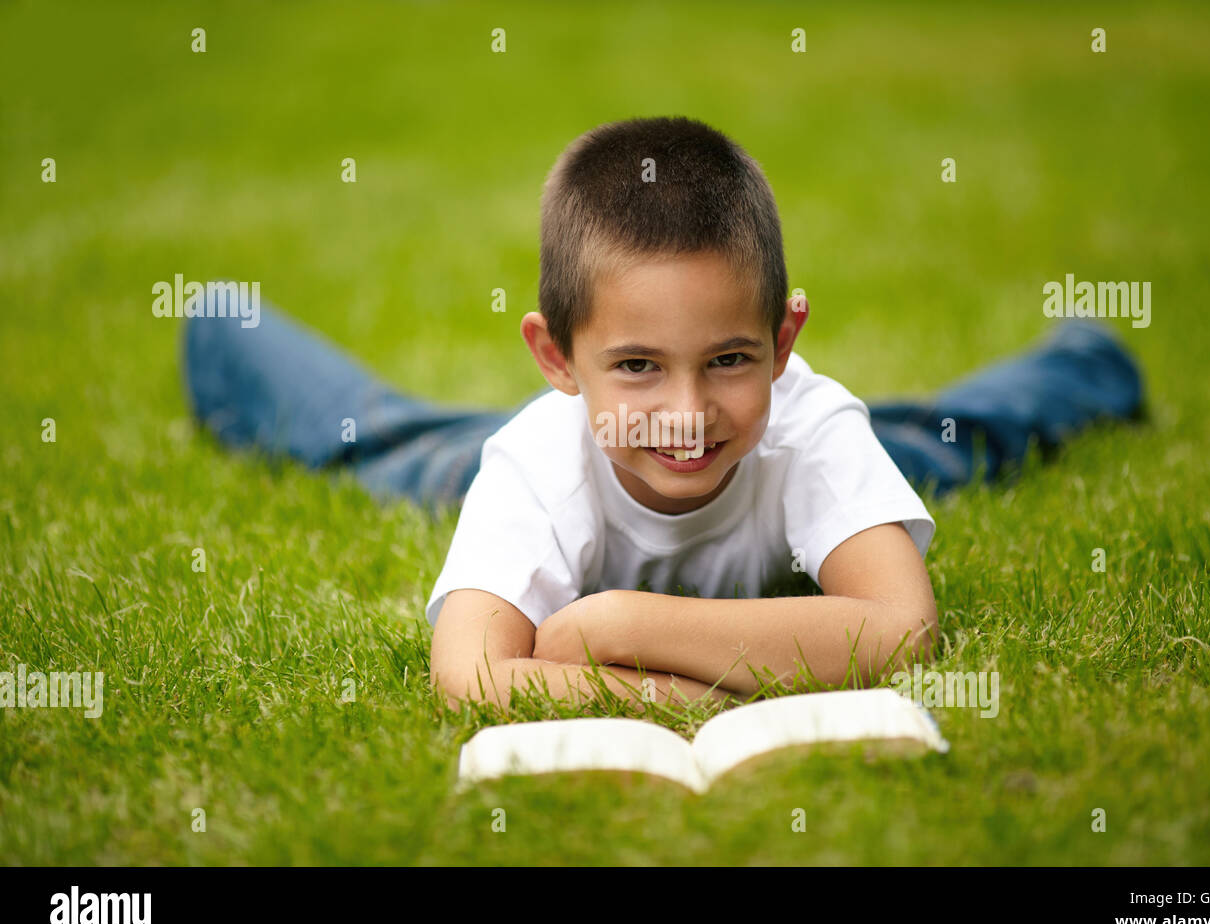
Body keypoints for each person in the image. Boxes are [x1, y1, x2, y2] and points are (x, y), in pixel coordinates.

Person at [181, 116, 1146, 714]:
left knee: (944, 440)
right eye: (637, 365)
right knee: (386, 438)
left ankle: (1087, 359)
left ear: (783, 339)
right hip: (527, 455)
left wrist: (613, 623)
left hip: (789, 438)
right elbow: (471, 676)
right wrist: (678, 697)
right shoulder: (531, 463)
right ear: (554, 356)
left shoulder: (808, 423)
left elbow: (901, 632)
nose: (686, 415)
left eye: (728, 357)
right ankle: (222, 323)